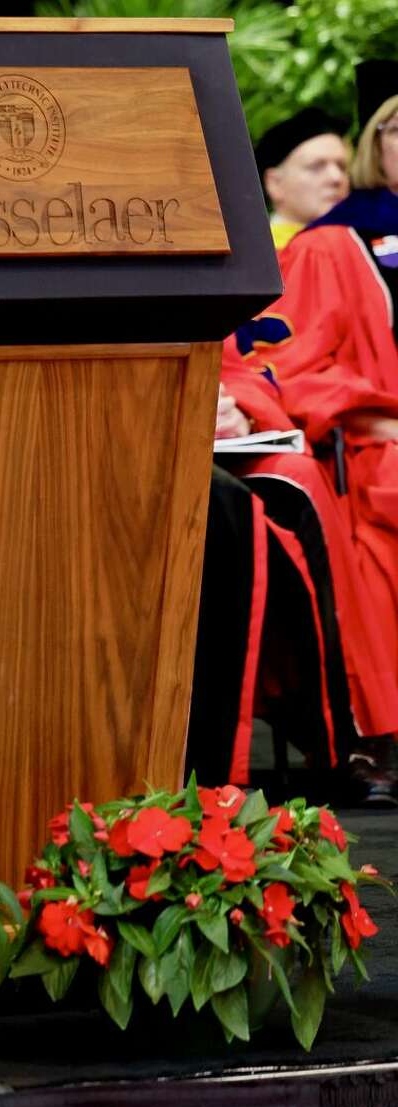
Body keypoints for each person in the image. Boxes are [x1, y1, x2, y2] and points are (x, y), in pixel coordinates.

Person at [242, 60, 398, 677]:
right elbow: (285, 365)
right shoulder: (332, 244)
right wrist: (378, 418)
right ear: (377, 140)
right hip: (373, 453)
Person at [207, 347, 398, 804]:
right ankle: (208, 768)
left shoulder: (326, 271)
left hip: (259, 438)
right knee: (225, 505)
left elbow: (233, 363)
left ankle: (340, 741)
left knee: (295, 480)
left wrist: (241, 409)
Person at [253, 105, 349, 247]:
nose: (336, 178)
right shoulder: (258, 252)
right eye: (316, 166)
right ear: (274, 184)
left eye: (342, 167)